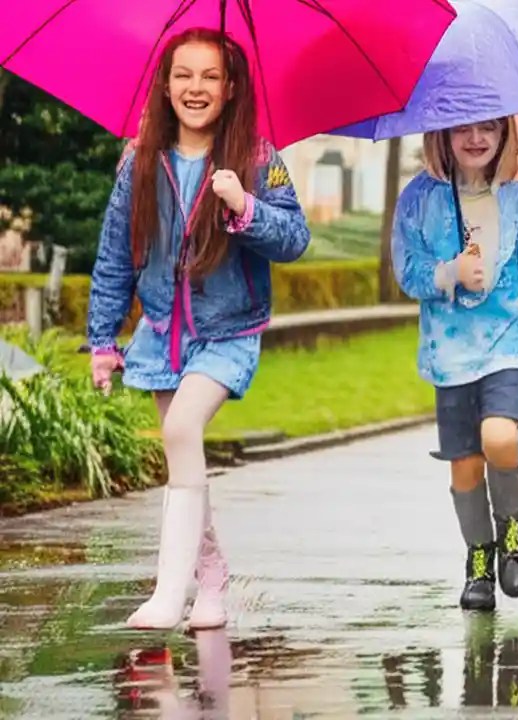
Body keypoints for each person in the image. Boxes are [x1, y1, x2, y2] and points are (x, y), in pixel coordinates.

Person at [87, 28, 311, 630]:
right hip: (162, 329)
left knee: (183, 429)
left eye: (210, 76)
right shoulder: (138, 161)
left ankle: (169, 591)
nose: (196, 88)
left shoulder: (260, 158)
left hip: (228, 329)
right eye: (184, 75)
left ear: (230, 87)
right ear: (165, 84)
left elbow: (295, 239)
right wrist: (103, 340)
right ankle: (211, 578)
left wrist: (246, 206)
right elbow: (116, 254)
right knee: (184, 457)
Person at [391, 116, 518, 612]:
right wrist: (448, 272)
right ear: (441, 134)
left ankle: (514, 533)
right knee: (466, 465)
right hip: (449, 356)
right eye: (462, 127)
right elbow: (406, 268)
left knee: (500, 437)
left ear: (505, 135)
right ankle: (478, 558)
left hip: (506, 346)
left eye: (489, 127)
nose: (476, 138)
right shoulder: (420, 198)